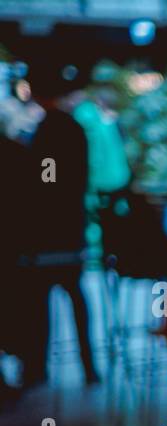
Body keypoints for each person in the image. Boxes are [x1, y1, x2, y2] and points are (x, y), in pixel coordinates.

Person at [15, 62, 97, 387]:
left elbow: (42, 182)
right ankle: (89, 366)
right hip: (69, 226)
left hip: (46, 230)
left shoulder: (48, 129)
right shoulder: (72, 126)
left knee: (39, 299)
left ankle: (36, 367)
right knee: (75, 295)